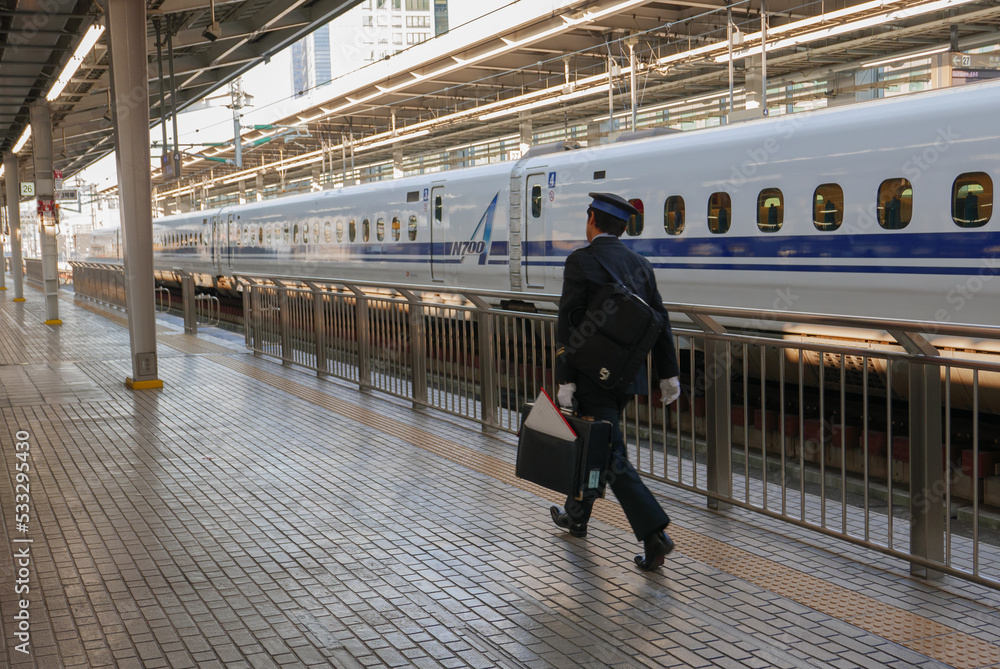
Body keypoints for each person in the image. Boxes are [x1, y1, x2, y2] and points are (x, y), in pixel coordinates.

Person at [550, 192, 682, 571]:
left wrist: (566, 381)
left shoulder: (581, 261)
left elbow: (569, 326)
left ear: (592, 219)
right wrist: (667, 374)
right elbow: (661, 320)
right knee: (597, 444)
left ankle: (654, 534)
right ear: (623, 228)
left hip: (593, 379)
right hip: (628, 377)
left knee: (612, 457)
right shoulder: (641, 264)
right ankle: (577, 516)